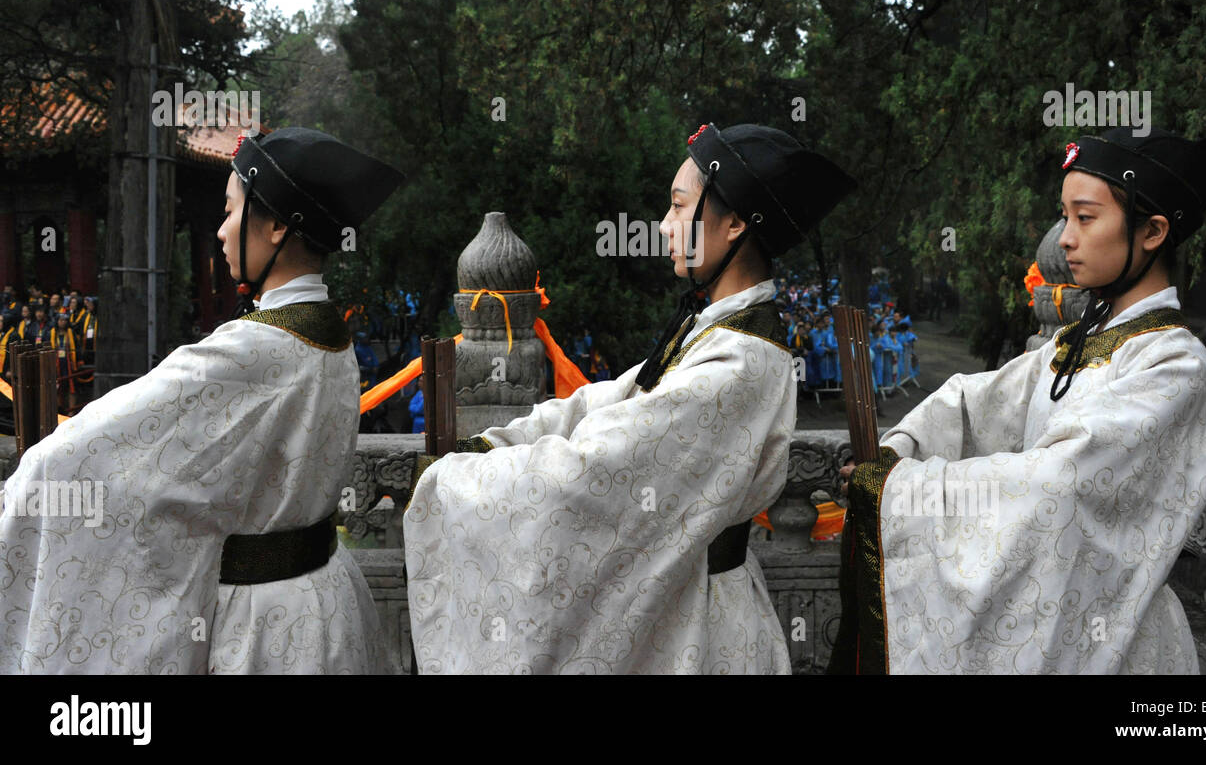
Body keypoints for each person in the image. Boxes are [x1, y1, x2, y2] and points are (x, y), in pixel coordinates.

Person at [404, 122, 856, 673]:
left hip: (705, 627)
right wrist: (489, 444)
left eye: (678, 206)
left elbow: (596, 468)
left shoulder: (739, 360)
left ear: (735, 223)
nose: (664, 226)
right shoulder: (712, 332)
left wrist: (455, 481)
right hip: (684, 608)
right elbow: (606, 402)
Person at [831, 126, 1206, 674]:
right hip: (1054, 623)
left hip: (1116, 632)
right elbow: (976, 402)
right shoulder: (1077, 342)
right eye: (1064, 217)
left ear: (1153, 231)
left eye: (1085, 217)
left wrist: (897, 491)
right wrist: (899, 449)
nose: (1065, 237)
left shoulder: (1174, 366)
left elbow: (1058, 483)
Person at [1, 125, 404, 673]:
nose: (219, 231)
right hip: (331, 598)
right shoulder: (331, 333)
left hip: (265, 628)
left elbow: (72, 458)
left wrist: (24, 494)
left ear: (278, 226)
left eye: (231, 210)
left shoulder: (251, 349)